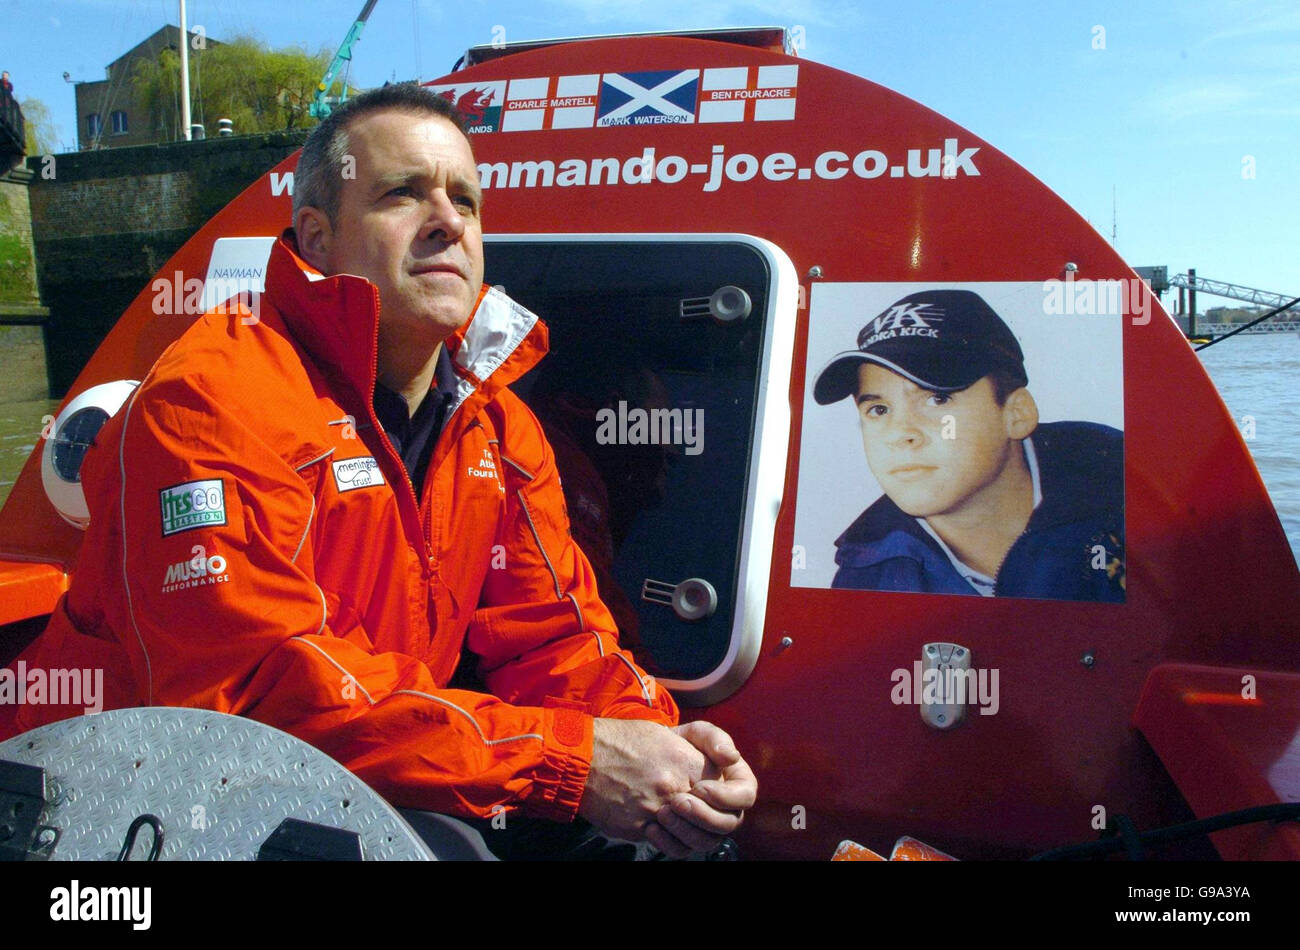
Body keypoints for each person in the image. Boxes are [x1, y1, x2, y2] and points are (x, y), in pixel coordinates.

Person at [11, 83, 755, 858]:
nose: (448, 222)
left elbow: (551, 636)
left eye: (466, 202)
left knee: (674, 843)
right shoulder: (211, 402)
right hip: (136, 795)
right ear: (316, 237)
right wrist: (573, 760)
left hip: (363, 761)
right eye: (404, 194)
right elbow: (253, 689)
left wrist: (661, 753)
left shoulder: (496, 425)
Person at [812, 289, 1125, 601]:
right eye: (878, 410)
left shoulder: (1134, 505)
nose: (899, 434)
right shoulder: (865, 575)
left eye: (937, 398)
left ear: (1017, 414)